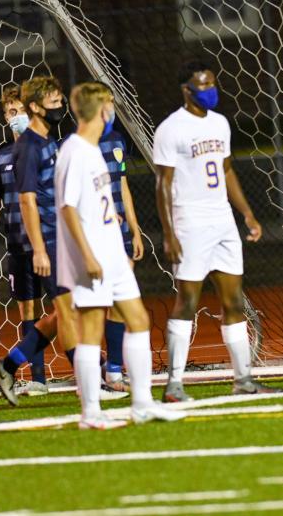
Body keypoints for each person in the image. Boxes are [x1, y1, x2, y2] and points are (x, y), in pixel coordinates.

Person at [55, 81, 185, 429]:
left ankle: (142, 404)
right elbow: (67, 209)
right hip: (93, 257)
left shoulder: (95, 149)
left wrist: (120, 229)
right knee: (92, 328)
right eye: (109, 105)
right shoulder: (74, 150)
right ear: (100, 110)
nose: (112, 111)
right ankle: (91, 413)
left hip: (113, 253)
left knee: (138, 319)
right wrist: (87, 256)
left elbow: (97, 203)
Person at [154, 61, 282, 401]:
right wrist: (169, 232)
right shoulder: (171, 129)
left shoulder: (220, 123)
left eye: (213, 83)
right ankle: (174, 384)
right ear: (187, 89)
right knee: (187, 301)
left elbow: (226, 171)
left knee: (233, 301)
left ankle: (243, 379)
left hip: (222, 219)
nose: (210, 90)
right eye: (203, 84)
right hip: (190, 221)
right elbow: (163, 184)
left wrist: (247, 213)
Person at [0, 76, 91, 406]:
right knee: (69, 311)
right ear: (35, 107)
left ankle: (8, 364)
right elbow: (27, 200)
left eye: (61, 101)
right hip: (48, 242)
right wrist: (39, 248)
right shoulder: (30, 147)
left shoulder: (49, 142)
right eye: (54, 103)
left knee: (68, 311)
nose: (60, 107)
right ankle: (91, 384)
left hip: (61, 239)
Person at [0, 85, 55, 396]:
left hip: (50, 244)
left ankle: (101, 368)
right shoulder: (0, 157)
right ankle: (38, 379)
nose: (14, 117)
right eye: (9, 113)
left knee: (65, 309)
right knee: (29, 313)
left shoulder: (48, 148)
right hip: (18, 246)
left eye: (19, 111)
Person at [97, 106, 145, 392]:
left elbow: (123, 186)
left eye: (112, 104)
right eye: (103, 104)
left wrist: (135, 229)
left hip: (120, 235)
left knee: (122, 305)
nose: (110, 110)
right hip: (93, 237)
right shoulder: (73, 146)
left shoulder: (117, 140)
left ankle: (114, 370)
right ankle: (91, 376)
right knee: (87, 308)